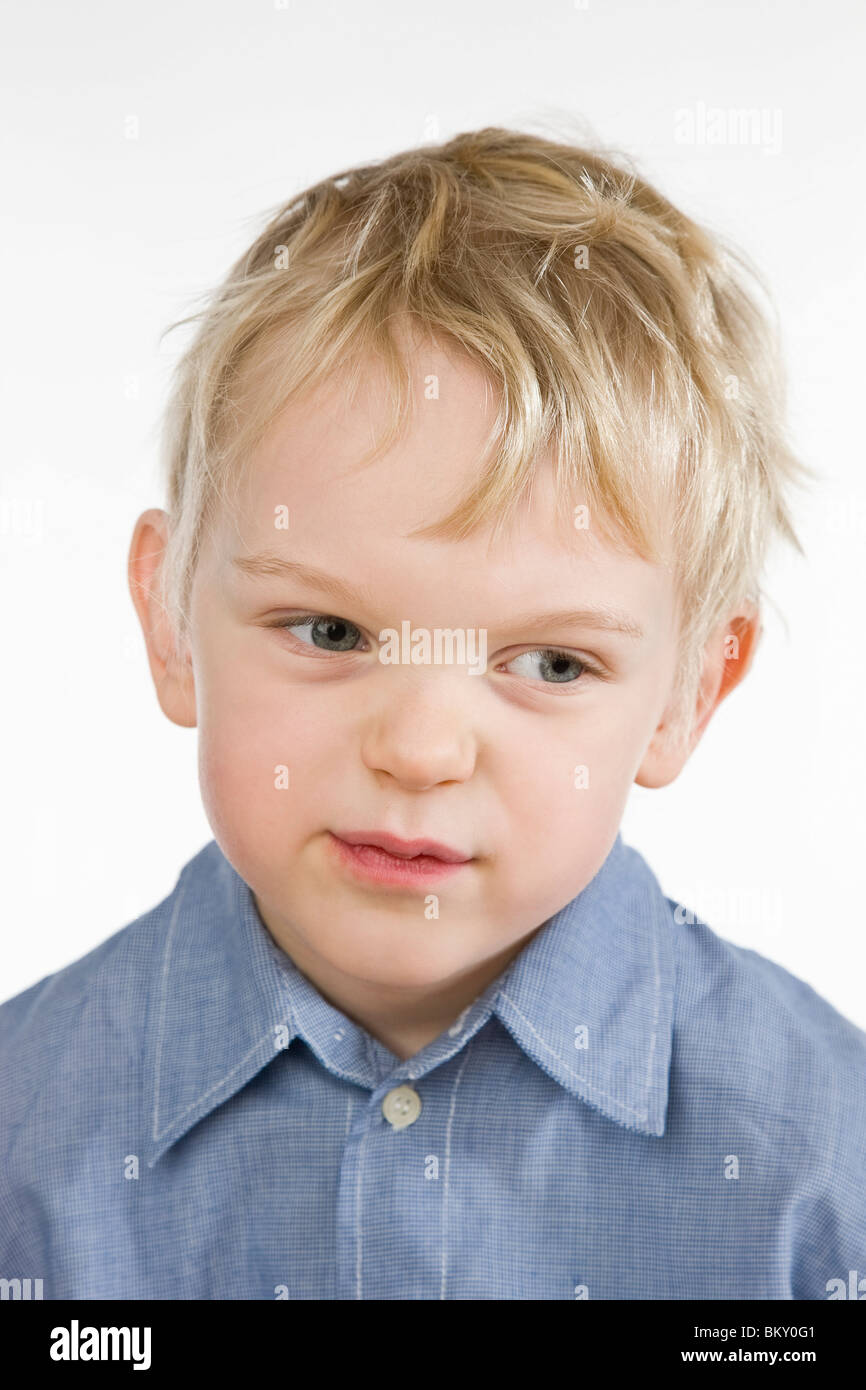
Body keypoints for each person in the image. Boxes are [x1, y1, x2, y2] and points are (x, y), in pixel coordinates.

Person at [2, 126, 864, 1300]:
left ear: (688, 696)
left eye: (549, 663)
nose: (417, 750)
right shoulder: (26, 1146)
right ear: (169, 619)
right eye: (330, 632)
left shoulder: (819, 1180)